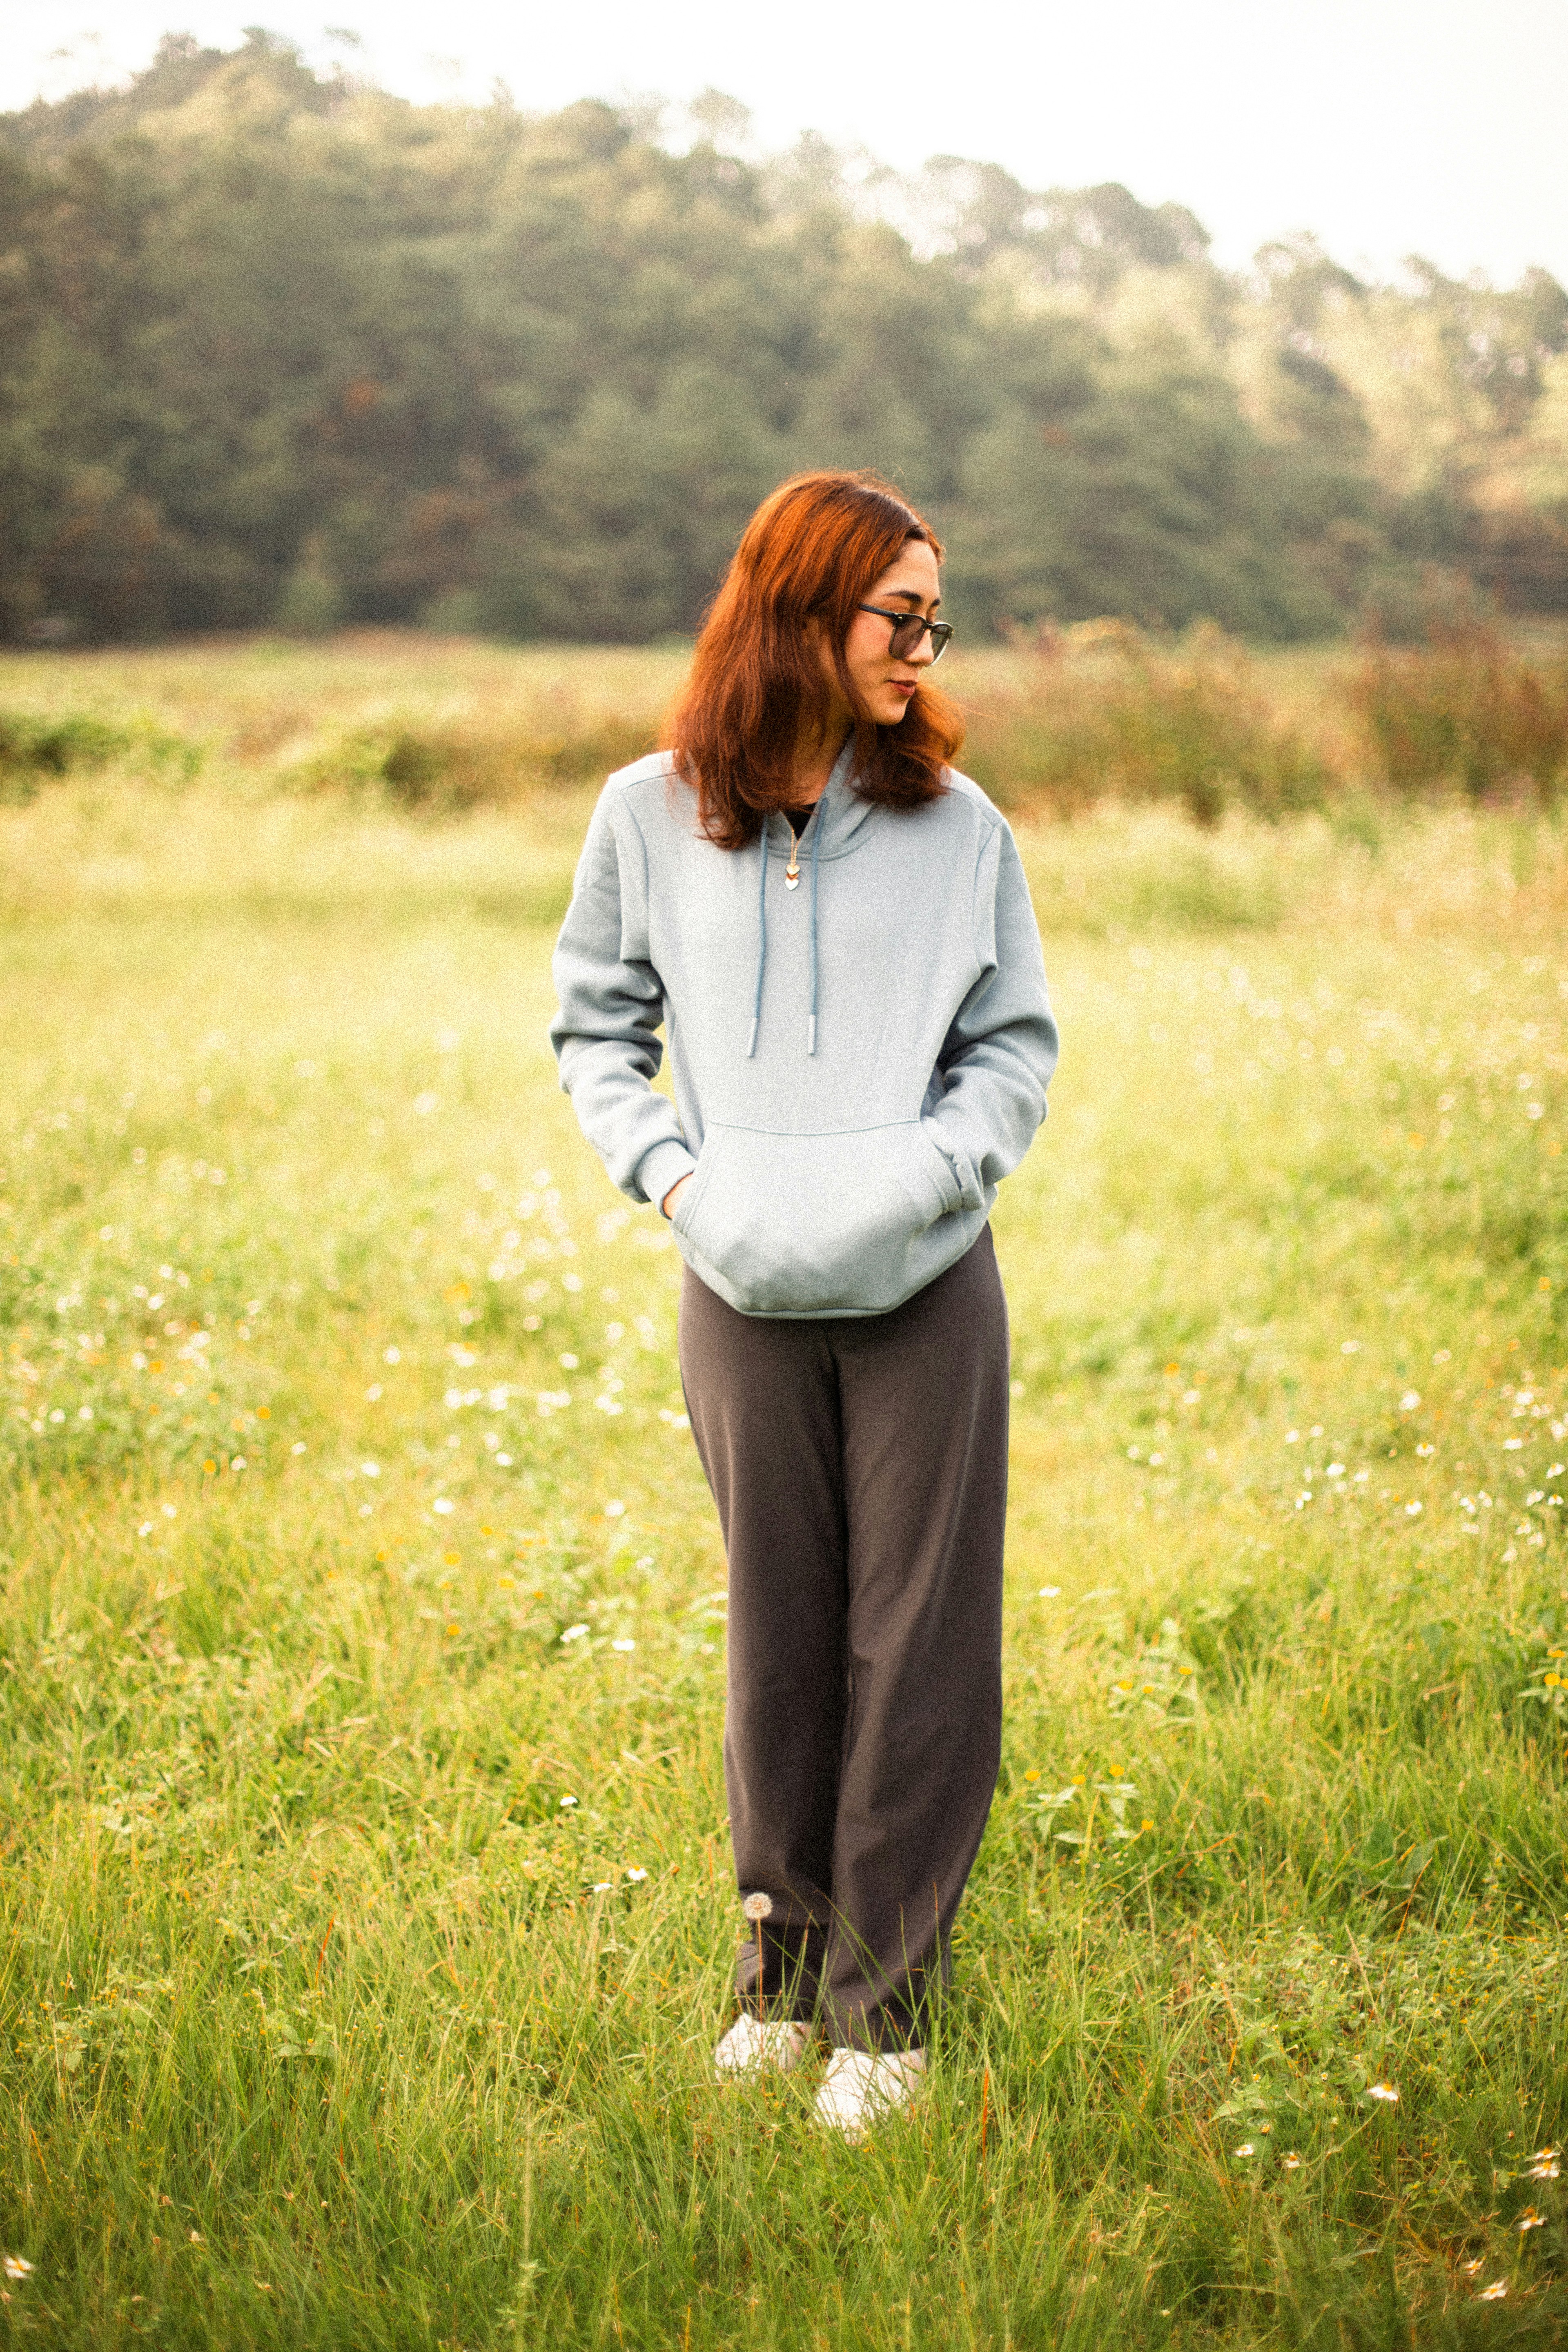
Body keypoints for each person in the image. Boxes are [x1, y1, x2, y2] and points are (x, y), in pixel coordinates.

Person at [550, 470, 1057, 2139]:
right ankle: (780, 1971)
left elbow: (1012, 1054)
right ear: (800, 607)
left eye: (935, 619)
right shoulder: (646, 813)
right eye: (898, 615)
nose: (925, 647)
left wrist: (924, 1181)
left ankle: (885, 2018)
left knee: (916, 1640)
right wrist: (684, 1184)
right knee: (779, 1626)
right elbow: (594, 1030)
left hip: (925, 1291)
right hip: (737, 1286)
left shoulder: (958, 830)